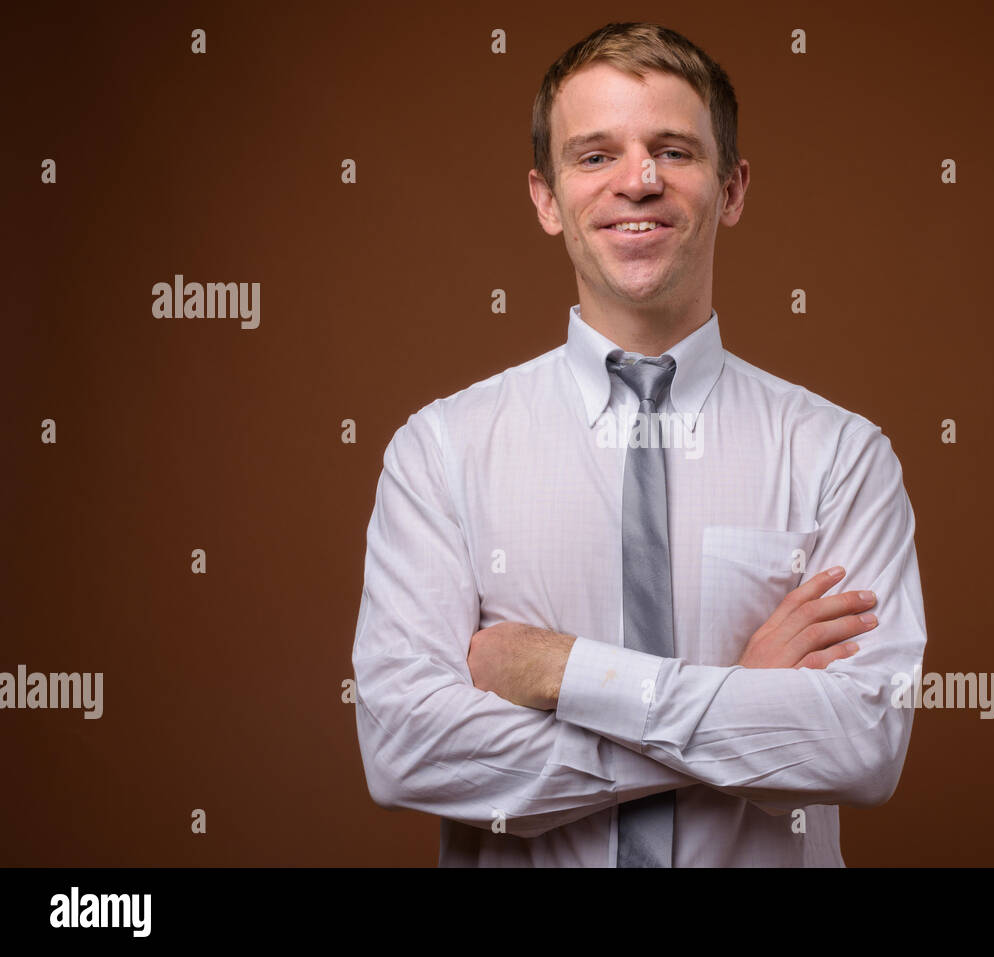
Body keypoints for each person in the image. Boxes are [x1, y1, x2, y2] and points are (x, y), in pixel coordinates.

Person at [351, 21, 928, 867]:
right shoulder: (440, 450)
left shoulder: (842, 457)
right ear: (547, 199)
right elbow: (406, 748)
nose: (639, 181)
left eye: (674, 151)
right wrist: (742, 706)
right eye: (594, 156)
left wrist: (563, 673)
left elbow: (862, 745)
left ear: (731, 190)